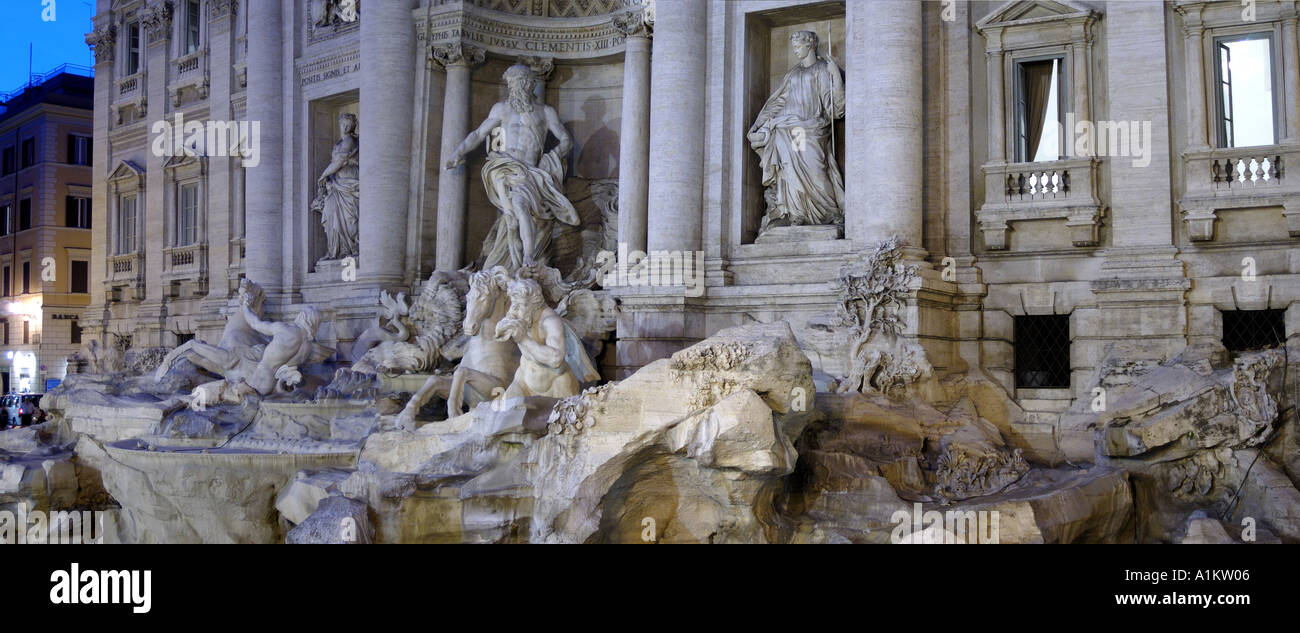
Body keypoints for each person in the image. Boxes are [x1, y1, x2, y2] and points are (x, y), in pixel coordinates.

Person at [445, 64, 581, 270]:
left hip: (528, 172)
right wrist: (458, 152)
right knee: (513, 206)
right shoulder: (501, 109)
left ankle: (525, 258)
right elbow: (479, 134)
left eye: (517, 82)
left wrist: (552, 156)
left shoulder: (545, 112)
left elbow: (566, 140)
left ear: (528, 84)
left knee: (517, 210)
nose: (513, 88)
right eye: (511, 83)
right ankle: (524, 257)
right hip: (504, 165)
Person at [747, 30, 846, 234]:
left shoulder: (822, 70)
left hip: (812, 129)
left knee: (817, 171)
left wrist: (835, 74)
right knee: (789, 171)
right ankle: (797, 213)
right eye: (793, 47)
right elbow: (778, 102)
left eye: (798, 46)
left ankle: (830, 211)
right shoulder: (792, 73)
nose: (796, 50)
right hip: (788, 129)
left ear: (810, 45)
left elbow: (834, 107)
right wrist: (760, 124)